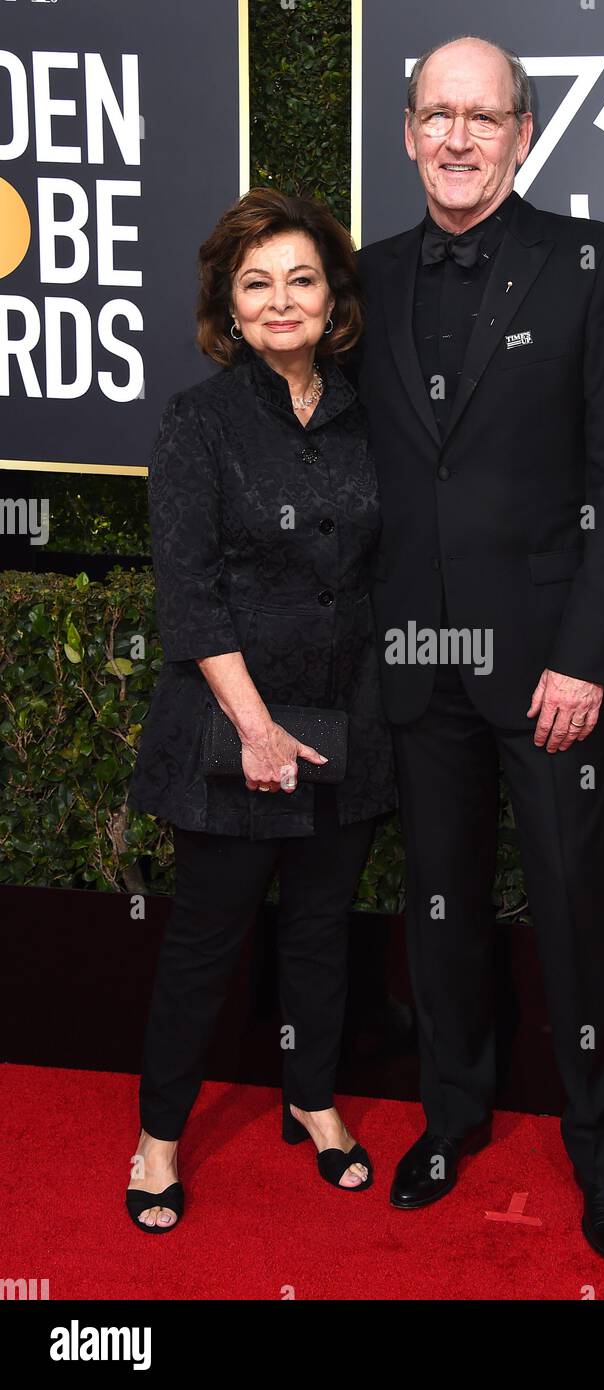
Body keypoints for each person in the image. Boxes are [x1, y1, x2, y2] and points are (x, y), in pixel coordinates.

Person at [348, 35, 604, 1260]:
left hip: (545, 668)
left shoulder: (591, 263)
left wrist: (585, 657)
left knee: (575, 915)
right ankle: (450, 1116)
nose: (458, 137)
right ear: (408, 132)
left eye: (483, 117)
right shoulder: (366, 278)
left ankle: (602, 1161)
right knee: (439, 908)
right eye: (438, 114)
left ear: (522, 134)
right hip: (417, 658)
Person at [125, 188, 396, 1230]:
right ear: (228, 310)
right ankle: (158, 1138)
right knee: (204, 942)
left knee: (322, 930)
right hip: (230, 722)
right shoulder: (198, 421)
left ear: (332, 300)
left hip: (349, 717)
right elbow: (190, 595)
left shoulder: (368, 414)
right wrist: (254, 728)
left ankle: (312, 1100)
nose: (281, 300)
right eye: (256, 284)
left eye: (301, 279)